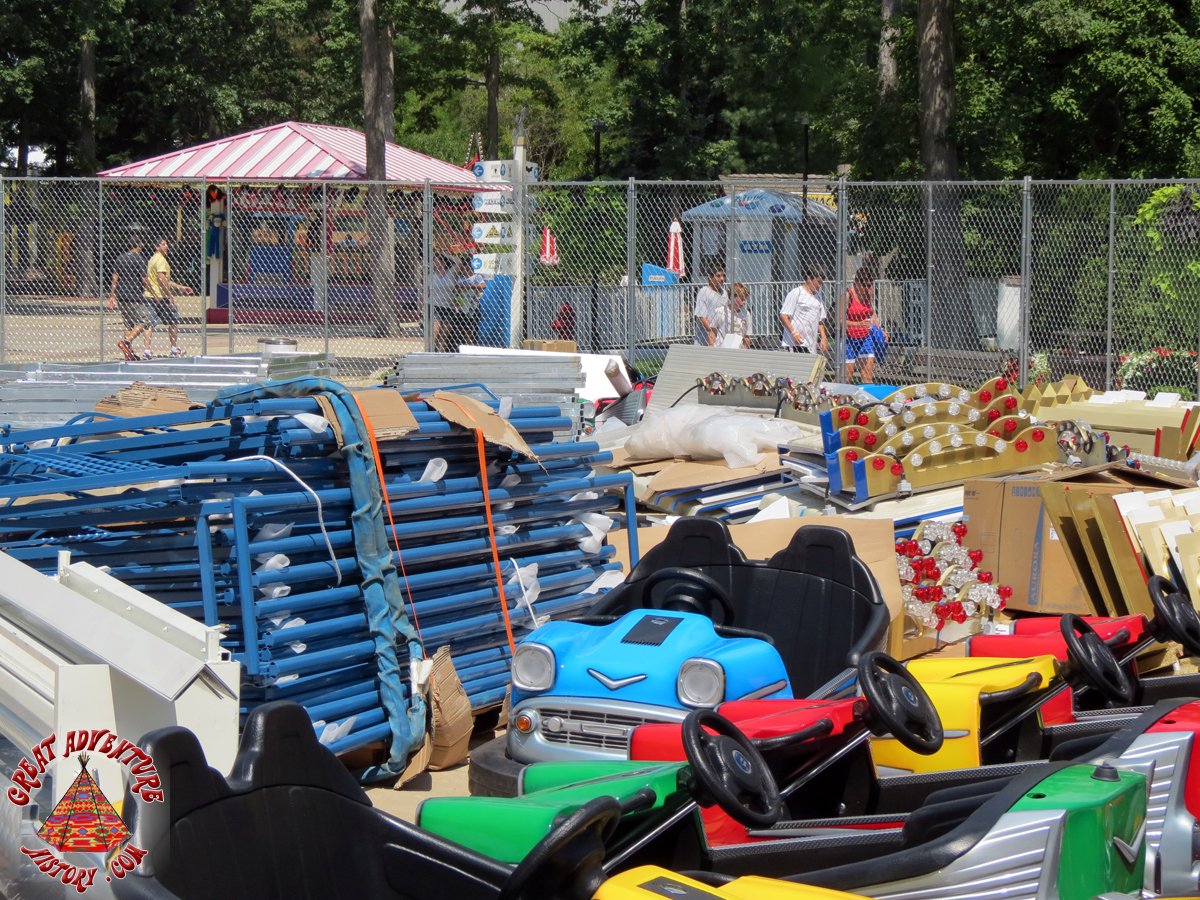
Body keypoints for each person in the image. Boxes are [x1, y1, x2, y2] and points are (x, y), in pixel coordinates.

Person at [144, 238, 194, 358]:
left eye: (167, 244)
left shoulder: (152, 259)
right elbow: (162, 279)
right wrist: (170, 295)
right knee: (173, 320)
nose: (166, 246)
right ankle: (173, 348)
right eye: (163, 244)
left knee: (149, 323)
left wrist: (180, 287)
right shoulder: (160, 260)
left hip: (151, 295)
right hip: (161, 296)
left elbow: (164, 280)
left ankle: (147, 350)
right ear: (157, 247)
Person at [841, 257, 883, 383]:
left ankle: (868, 400)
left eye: (870, 285)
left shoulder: (867, 295)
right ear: (857, 283)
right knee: (847, 376)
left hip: (865, 338)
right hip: (849, 338)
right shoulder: (848, 295)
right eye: (865, 285)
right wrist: (858, 324)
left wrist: (881, 330)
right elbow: (840, 321)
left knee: (867, 375)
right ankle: (838, 398)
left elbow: (872, 314)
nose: (868, 289)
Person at [109, 237, 150, 361]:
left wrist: (112, 294)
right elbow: (144, 280)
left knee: (129, 324)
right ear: (138, 245)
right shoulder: (139, 259)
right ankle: (126, 342)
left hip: (121, 295)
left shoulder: (120, 258)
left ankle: (129, 353)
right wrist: (152, 290)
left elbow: (115, 278)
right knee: (145, 320)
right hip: (135, 295)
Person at [780, 265, 828, 354]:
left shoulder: (818, 297)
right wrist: (794, 333)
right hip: (796, 343)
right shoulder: (796, 293)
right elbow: (784, 315)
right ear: (809, 278)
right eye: (818, 282)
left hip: (811, 344)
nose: (820, 285)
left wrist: (824, 337)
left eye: (821, 283)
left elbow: (820, 320)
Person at [693, 268, 727, 346]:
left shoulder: (724, 293)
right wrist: (712, 332)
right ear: (710, 277)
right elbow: (701, 317)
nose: (722, 279)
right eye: (718, 276)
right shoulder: (704, 292)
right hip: (703, 340)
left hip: (721, 340)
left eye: (723, 276)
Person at [715, 282, 752, 348]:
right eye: (742, 299)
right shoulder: (720, 311)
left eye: (745, 299)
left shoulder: (746, 314)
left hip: (738, 350)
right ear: (732, 297)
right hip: (721, 348)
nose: (744, 302)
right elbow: (712, 333)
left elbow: (747, 337)